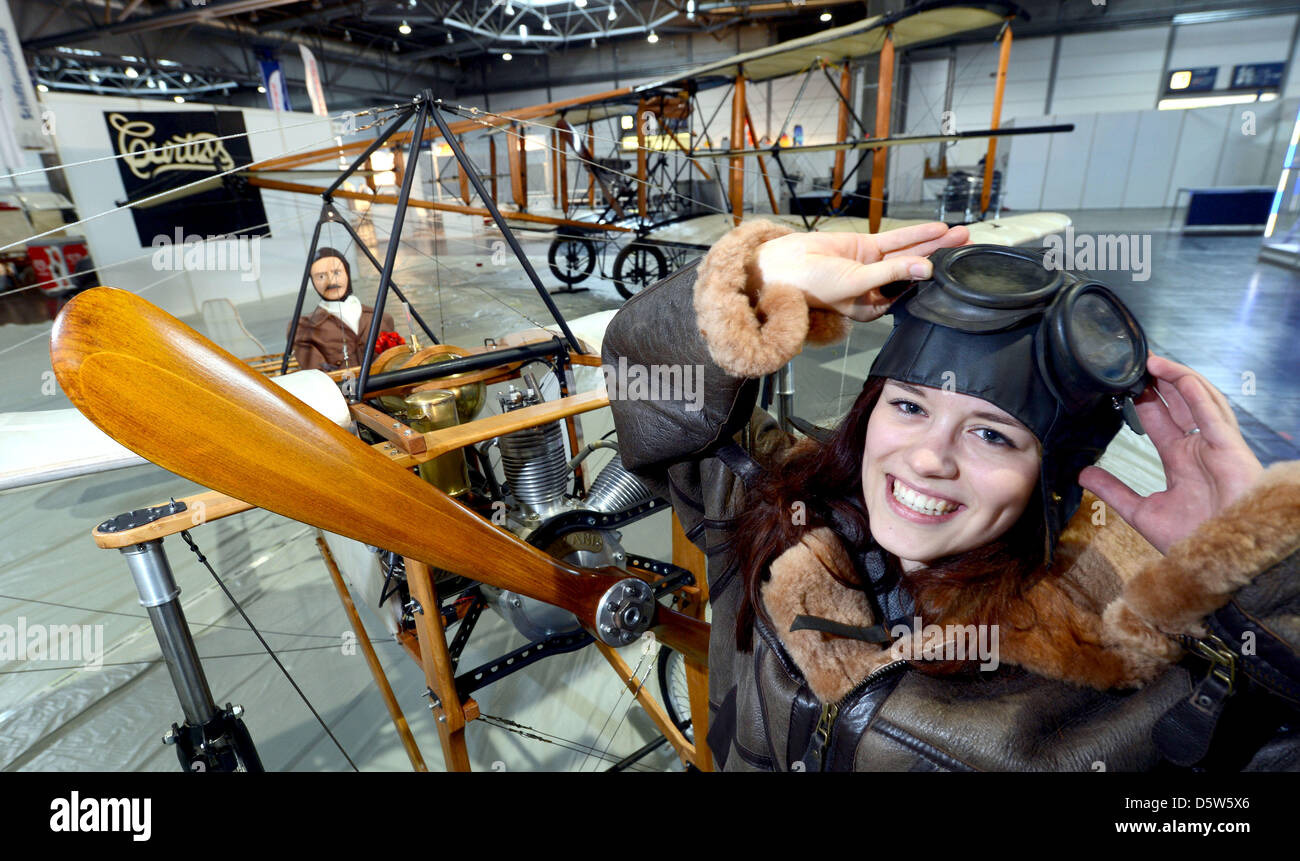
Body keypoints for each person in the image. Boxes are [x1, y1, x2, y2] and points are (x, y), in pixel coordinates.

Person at [603, 219, 1300, 771]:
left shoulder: (1120, 666)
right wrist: (762, 278)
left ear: (1049, 475)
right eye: (909, 406)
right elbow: (649, 382)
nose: (930, 457)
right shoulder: (774, 512)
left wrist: (1255, 574)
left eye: (993, 435)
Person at [290, 247, 402, 372]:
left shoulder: (381, 318)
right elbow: (319, 377)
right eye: (321, 276)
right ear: (313, 281)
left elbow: (398, 360)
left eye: (336, 273)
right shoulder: (304, 328)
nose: (331, 281)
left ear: (347, 274)